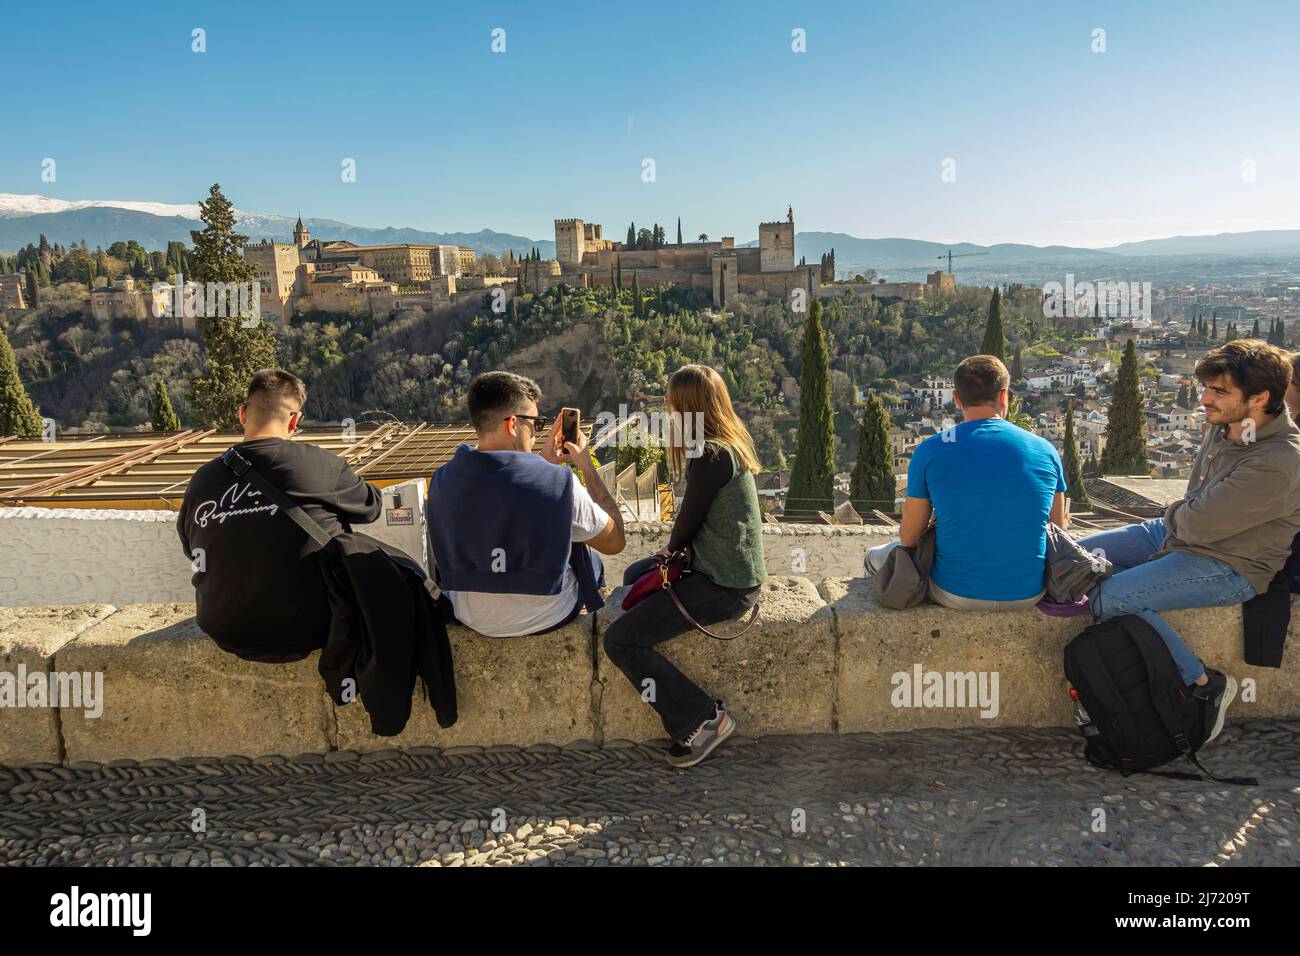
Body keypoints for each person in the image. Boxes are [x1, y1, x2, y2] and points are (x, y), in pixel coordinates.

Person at [1077, 339, 1300, 740]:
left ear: (1259, 398)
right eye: (1206, 388)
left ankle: (1201, 683)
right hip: (1175, 533)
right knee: (1074, 559)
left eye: (1219, 391)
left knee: (1111, 597)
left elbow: (1198, 523)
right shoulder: (1226, 425)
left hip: (1228, 565)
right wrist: (1175, 520)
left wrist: (1174, 519)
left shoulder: (1281, 461)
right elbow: (1193, 512)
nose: (1205, 399)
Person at [602, 364, 767, 768]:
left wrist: (670, 553)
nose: (668, 412)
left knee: (619, 640)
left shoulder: (710, 455)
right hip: (723, 569)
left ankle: (703, 720)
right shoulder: (729, 444)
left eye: (672, 405)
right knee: (633, 577)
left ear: (688, 408)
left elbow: (686, 525)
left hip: (725, 585)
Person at [178, 369, 383, 662]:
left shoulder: (202, 479)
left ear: (242, 414)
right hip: (311, 627)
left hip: (224, 627)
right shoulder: (322, 465)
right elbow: (371, 507)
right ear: (295, 420)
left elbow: (190, 546)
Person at [425, 371, 625, 637]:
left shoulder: (442, 479)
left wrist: (538, 463)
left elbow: (501, 487)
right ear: (512, 425)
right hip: (547, 614)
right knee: (587, 552)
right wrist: (586, 465)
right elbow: (616, 541)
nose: (535, 434)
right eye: (535, 424)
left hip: (468, 614)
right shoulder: (560, 482)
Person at [866, 355, 1067, 610]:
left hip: (955, 592)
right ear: (1004, 396)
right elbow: (1058, 530)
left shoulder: (931, 449)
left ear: (957, 398)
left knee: (874, 558)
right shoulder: (1045, 450)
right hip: (1029, 592)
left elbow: (909, 538)